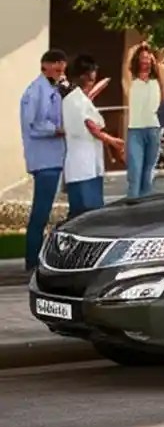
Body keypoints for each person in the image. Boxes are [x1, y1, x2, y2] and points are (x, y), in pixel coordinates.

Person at [19, 49, 67, 272]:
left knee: (46, 211)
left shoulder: (53, 89)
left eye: (62, 63)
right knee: (40, 211)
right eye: (55, 63)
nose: (60, 66)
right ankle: (31, 261)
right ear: (44, 65)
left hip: (55, 158)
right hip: (44, 159)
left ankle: (38, 257)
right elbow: (33, 124)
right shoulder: (36, 91)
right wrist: (57, 130)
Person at [62, 54, 123, 218]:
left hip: (89, 164)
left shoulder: (79, 98)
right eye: (91, 79)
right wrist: (113, 141)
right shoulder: (75, 99)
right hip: (82, 166)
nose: (92, 83)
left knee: (89, 212)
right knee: (85, 215)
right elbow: (92, 127)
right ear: (83, 76)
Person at [122, 42, 164, 198]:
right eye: (142, 58)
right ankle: (132, 202)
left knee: (148, 173)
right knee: (135, 171)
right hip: (136, 130)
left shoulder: (157, 79)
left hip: (154, 129)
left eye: (148, 58)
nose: (146, 61)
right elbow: (126, 63)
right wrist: (138, 46)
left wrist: (152, 49)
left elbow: (162, 64)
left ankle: (145, 204)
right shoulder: (131, 81)